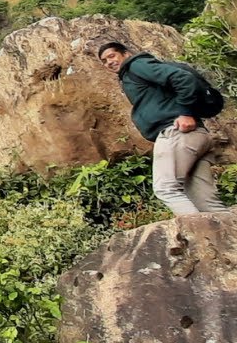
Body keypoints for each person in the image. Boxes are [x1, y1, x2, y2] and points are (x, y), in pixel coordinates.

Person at [97, 41, 230, 215]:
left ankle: (200, 239)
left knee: (165, 189)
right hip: (195, 136)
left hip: (177, 133)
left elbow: (183, 78)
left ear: (126, 53)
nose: (109, 62)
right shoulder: (132, 74)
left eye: (112, 56)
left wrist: (185, 113)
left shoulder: (136, 65)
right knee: (206, 202)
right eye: (104, 61)